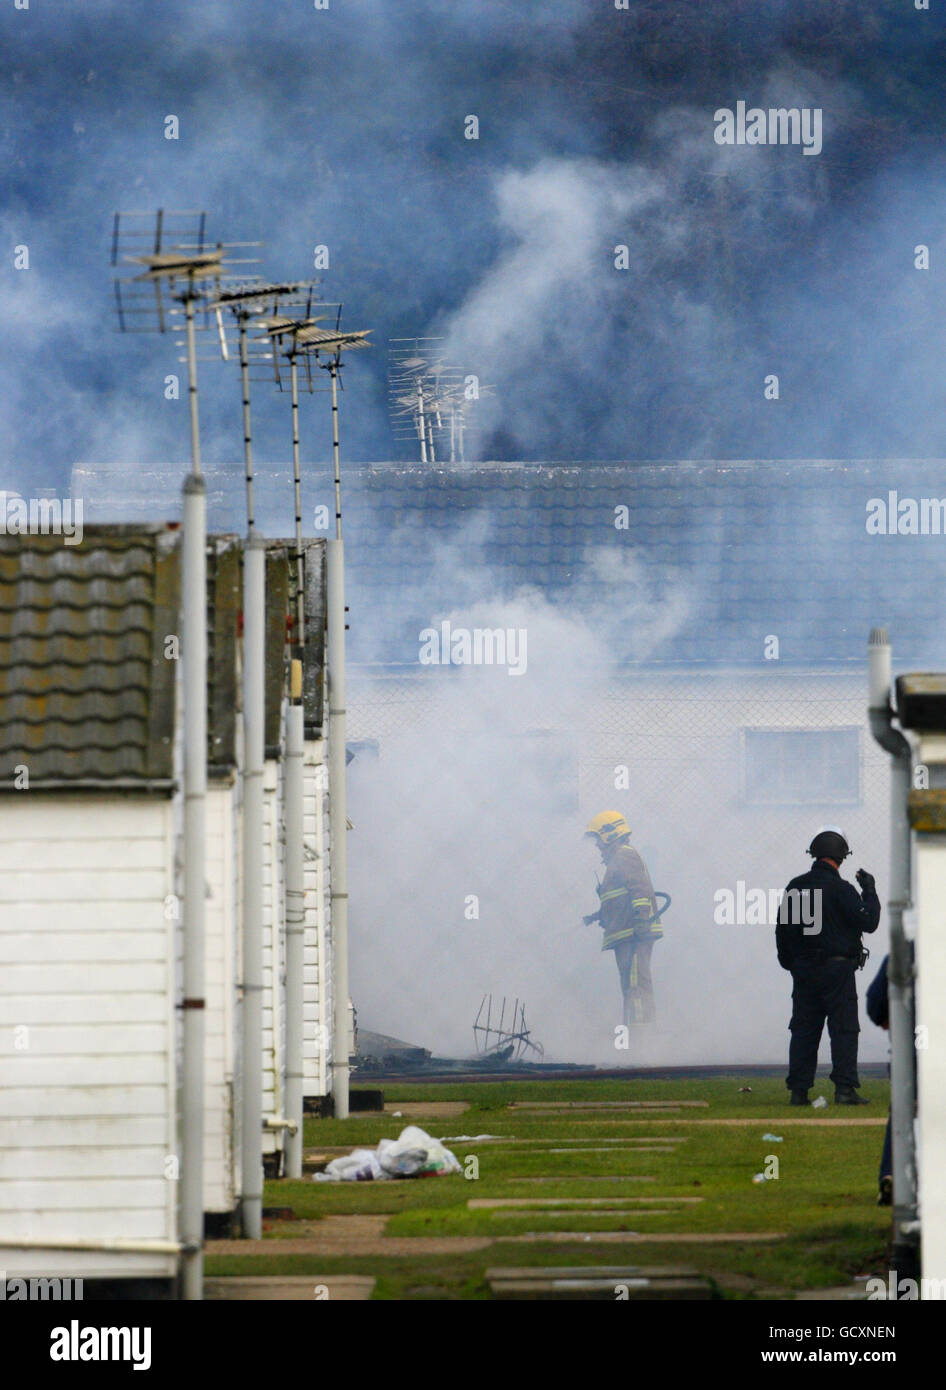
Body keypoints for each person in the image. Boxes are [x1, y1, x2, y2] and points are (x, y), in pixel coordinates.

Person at [775, 827, 880, 1106]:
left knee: (804, 1030)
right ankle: (844, 1090)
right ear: (841, 857)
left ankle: (799, 1092)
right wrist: (869, 890)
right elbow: (869, 921)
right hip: (837, 970)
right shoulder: (842, 889)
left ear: (815, 855)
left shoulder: (795, 887)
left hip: (804, 970)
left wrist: (792, 964)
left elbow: (783, 931)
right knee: (843, 1029)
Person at [584, 811, 662, 1026]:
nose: (598, 846)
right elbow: (619, 900)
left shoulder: (624, 855)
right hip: (626, 934)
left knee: (636, 987)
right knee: (631, 987)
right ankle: (634, 1033)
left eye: (598, 839)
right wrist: (598, 916)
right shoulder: (616, 862)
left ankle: (641, 1038)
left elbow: (640, 890)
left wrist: (640, 920)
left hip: (634, 934)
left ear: (610, 834)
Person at [865, 955, 893, 1205]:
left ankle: (890, 1174)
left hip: (914, 1046)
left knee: (904, 1112)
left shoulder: (903, 953)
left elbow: (875, 1003)